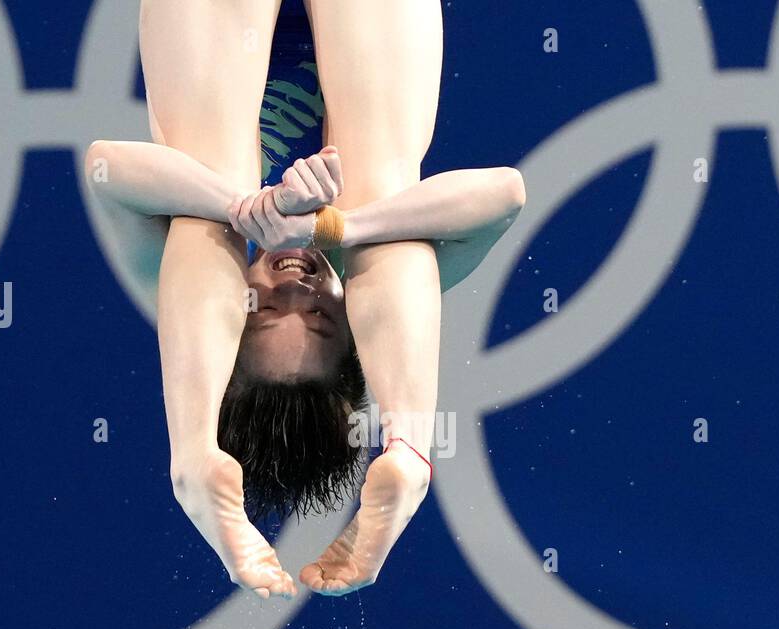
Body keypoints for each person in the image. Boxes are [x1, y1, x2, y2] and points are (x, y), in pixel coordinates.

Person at [85, 0, 524, 598]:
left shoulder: (179, 291)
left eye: (263, 309)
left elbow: (106, 166)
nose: (294, 283)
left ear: (224, 345)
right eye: (318, 314)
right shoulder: (384, 288)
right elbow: (505, 193)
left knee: (203, 199)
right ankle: (407, 449)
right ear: (354, 336)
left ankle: (193, 450)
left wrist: (241, 208)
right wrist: (337, 230)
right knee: (381, 188)